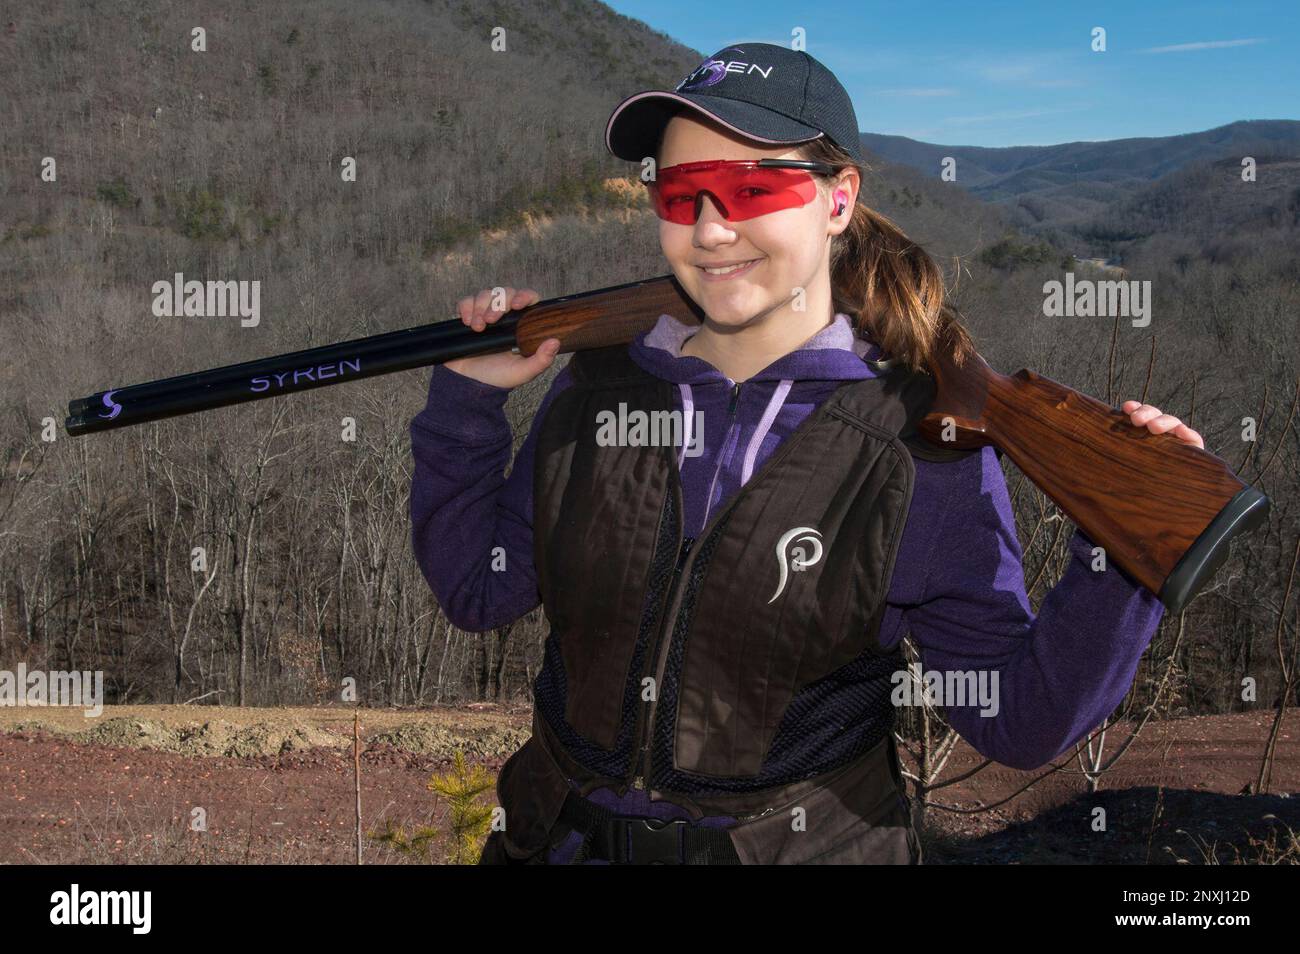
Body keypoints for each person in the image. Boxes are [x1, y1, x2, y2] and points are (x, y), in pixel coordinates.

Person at [408, 43, 1204, 865]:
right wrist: (468, 401)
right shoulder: (596, 391)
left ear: (838, 200)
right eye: (681, 193)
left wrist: (1121, 549)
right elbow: (477, 589)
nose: (712, 230)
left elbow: (1022, 716)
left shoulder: (921, 444)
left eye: (755, 187)